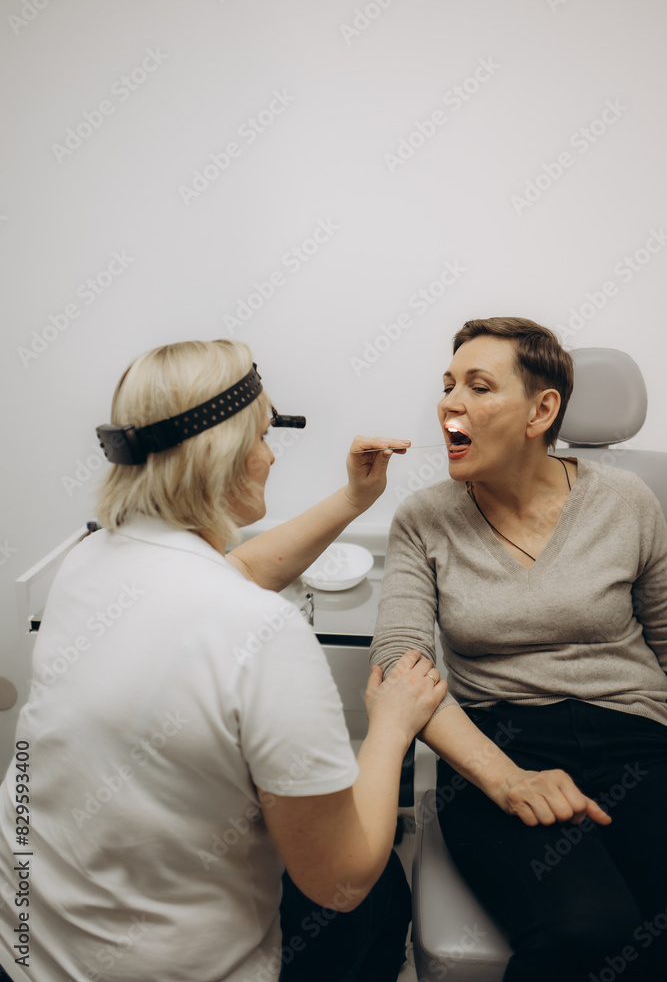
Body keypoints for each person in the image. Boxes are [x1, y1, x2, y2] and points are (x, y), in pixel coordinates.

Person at [0, 339, 446, 982]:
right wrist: (390, 729)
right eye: (264, 436)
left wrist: (353, 500)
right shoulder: (262, 631)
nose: (269, 456)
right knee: (374, 898)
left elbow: (232, 571)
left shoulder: (91, 562)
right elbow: (340, 883)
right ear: (226, 452)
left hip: (36, 950)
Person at [371, 317, 667, 982]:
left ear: (542, 410)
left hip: (637, 736)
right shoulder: (424, 519)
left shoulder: (626, 500)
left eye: (478, 387)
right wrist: (505, 779)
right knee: (587, 932)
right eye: (448, 386)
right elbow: (400, 665)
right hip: (500, 743)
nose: (449, 403)